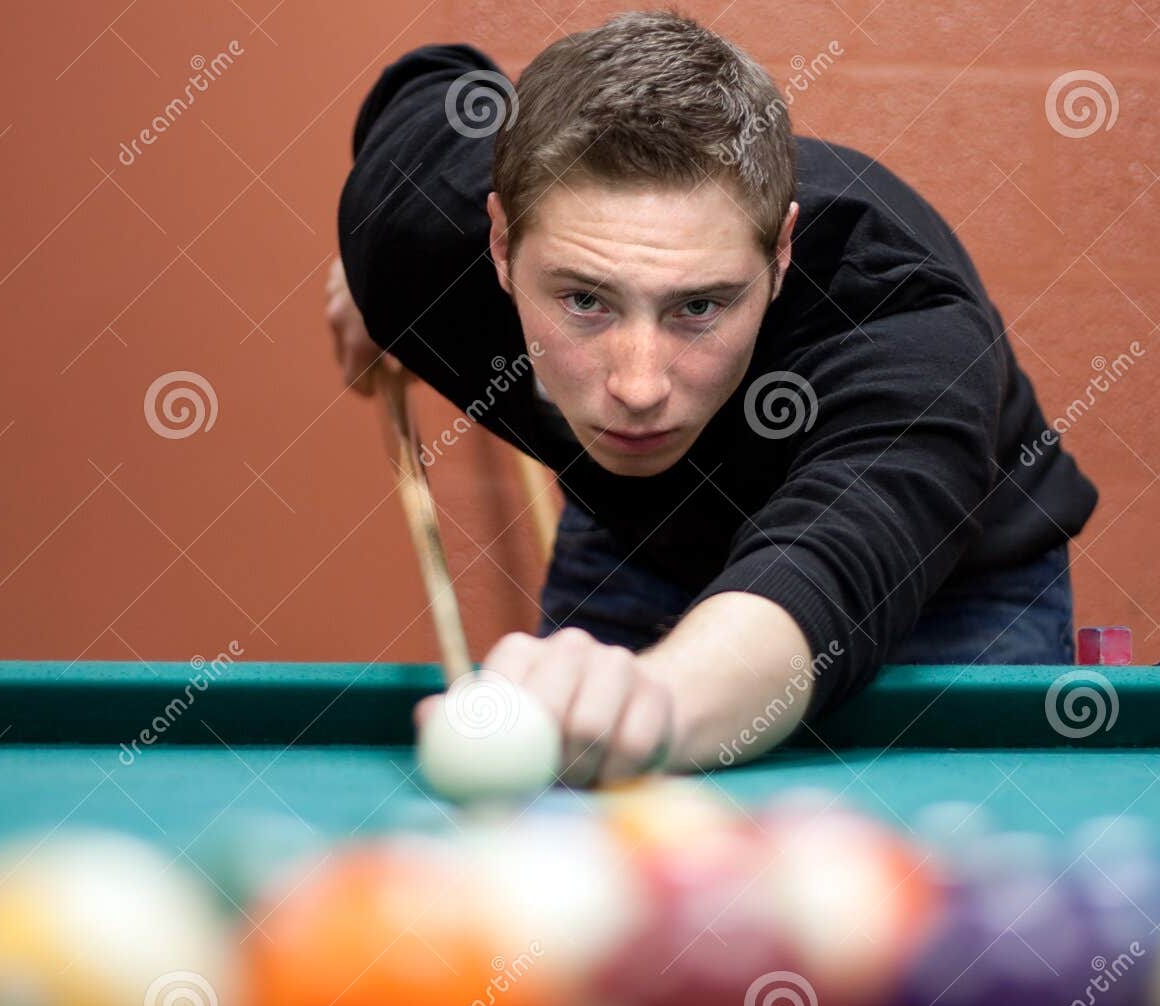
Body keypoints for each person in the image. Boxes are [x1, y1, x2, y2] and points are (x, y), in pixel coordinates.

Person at [325, 11, 1097, 784]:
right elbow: (429, 79)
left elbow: (820, 572)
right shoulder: (410, 235)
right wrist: (378, 284)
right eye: (585, 301)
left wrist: (650, 705)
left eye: (699, 307)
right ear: (498, 243)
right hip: (639, 534)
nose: (638, 386)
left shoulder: (905, 324)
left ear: (782, 253)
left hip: (941, 587)